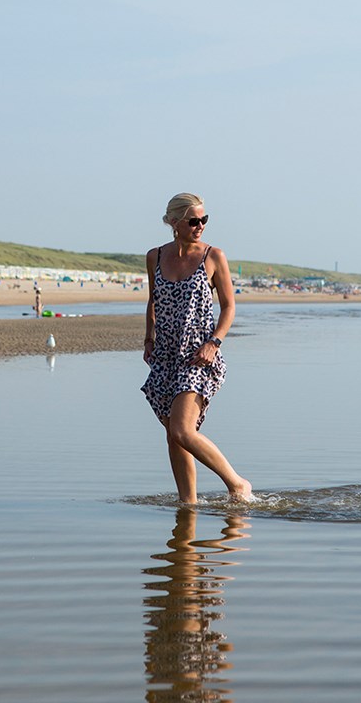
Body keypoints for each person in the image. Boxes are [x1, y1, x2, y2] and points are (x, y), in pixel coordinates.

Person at [142, 193, 252, 504]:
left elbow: (229, 307)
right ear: (174, 222)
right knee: (174, 438)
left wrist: (214, 343)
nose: (200, 225)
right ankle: (188, 505)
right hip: (164, 356)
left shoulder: (213, 256)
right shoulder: (155, 256)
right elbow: (153, 301)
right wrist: (148, 338)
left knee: (182, 430)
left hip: (198, 356)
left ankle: (237, 483)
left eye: (204, 219)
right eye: (194, 220)